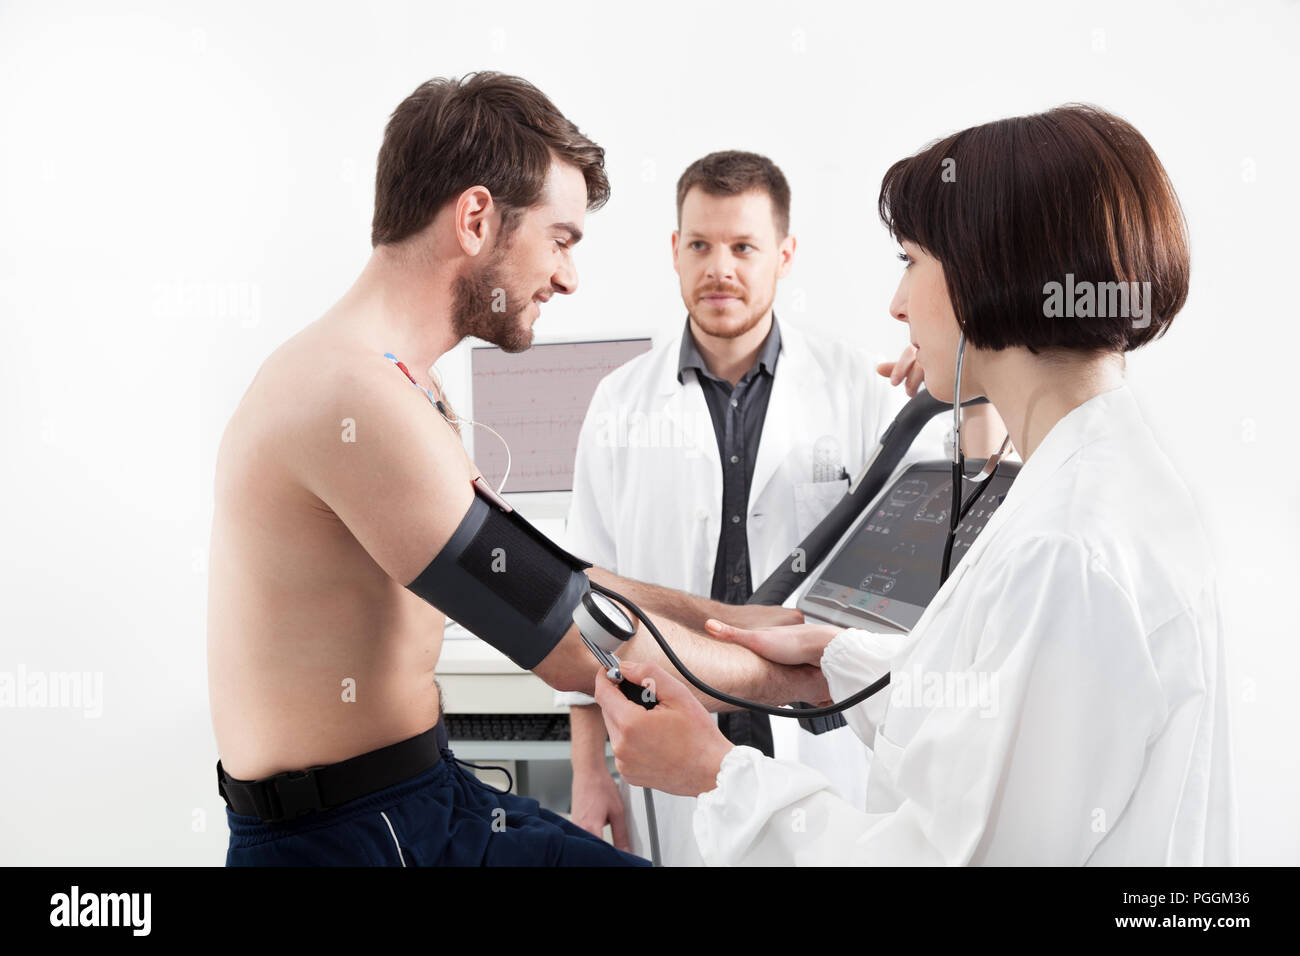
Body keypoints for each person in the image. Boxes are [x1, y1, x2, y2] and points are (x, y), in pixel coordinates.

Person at [595, 103, 1237, 865]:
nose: (896, 304)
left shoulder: (1067, 547)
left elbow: (942, 858)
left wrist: (715, 776)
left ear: (987, 268)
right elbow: (995, 720)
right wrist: (836, 662)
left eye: (909, 261)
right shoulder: (1096, 475)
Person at [206, 72, 821, 866]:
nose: (568, 276)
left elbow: (554, 574)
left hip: (423, 793)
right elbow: (571, 635)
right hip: (345, 840)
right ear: (474, 219)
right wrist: (814, 683)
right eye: (560, 238)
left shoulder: (403, 385)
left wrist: (747, 626)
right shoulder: (347, 396)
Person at [559, 151, 995, 862]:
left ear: (784, 255)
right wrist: (589, 773)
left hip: (816, 743)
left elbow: (938, 552)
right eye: (699, 244)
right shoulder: (619, 403)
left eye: (743, 247)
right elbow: (585, 600)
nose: (719, 268)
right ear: (674, 251)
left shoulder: (857, 384)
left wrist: (954, 382)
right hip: (674, 737)